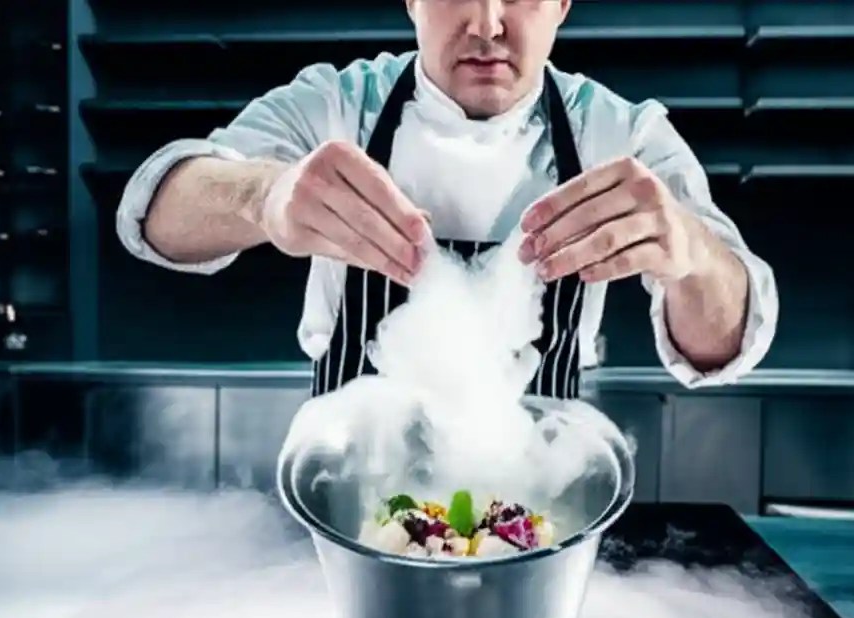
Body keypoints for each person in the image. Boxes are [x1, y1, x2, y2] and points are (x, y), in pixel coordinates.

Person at [115, 0, 778, 399]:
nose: (488, 24)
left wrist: (690, 255)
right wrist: (263, 194)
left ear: (563, 3)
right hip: (352, 481)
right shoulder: (336, 104)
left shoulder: (622, 135)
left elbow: (726, 339)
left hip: (535, 493)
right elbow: (153, 214)